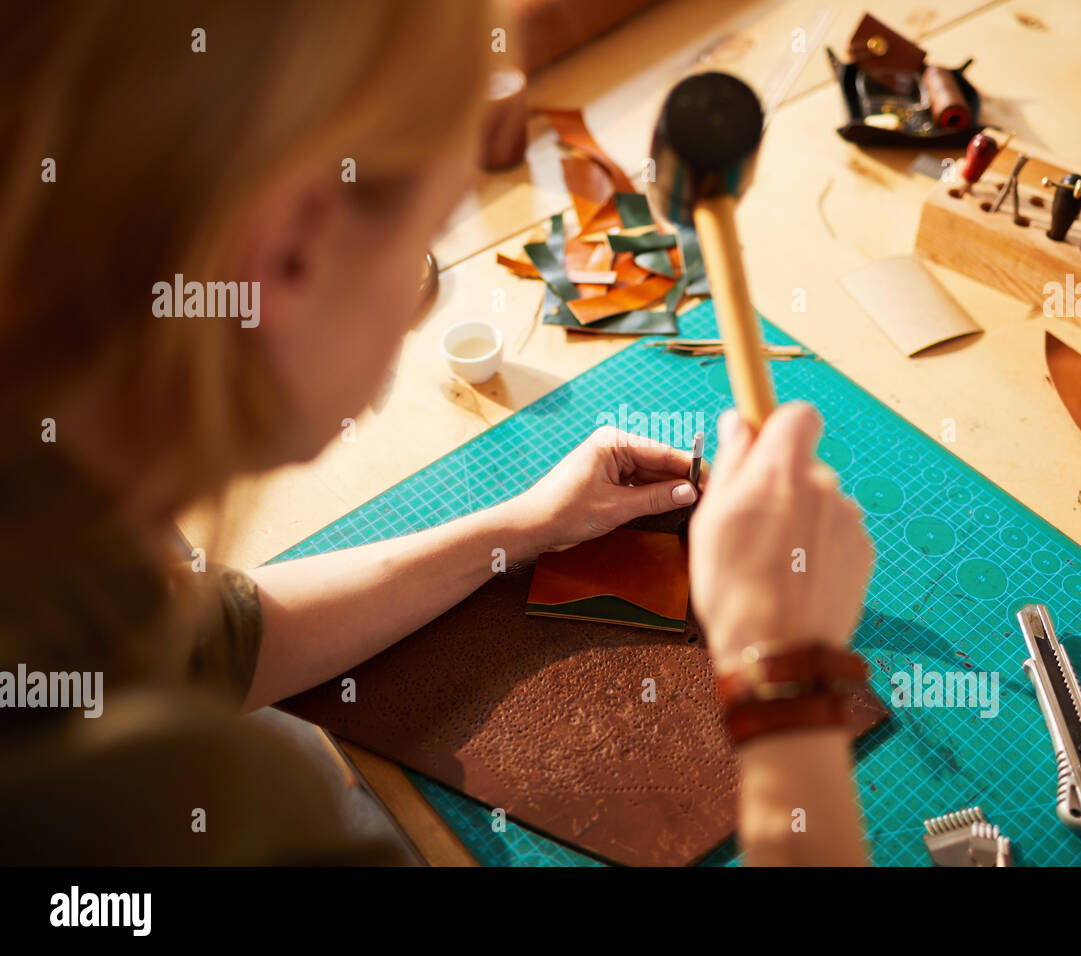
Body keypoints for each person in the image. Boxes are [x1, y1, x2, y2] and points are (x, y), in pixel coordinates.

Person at [0, 0, 874, 866]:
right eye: (427, 244)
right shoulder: (186, 814)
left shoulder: (58, 557)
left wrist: (525, 528)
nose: (424, 301)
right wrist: (783, 681)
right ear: (289, 253)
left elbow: (211, 645)